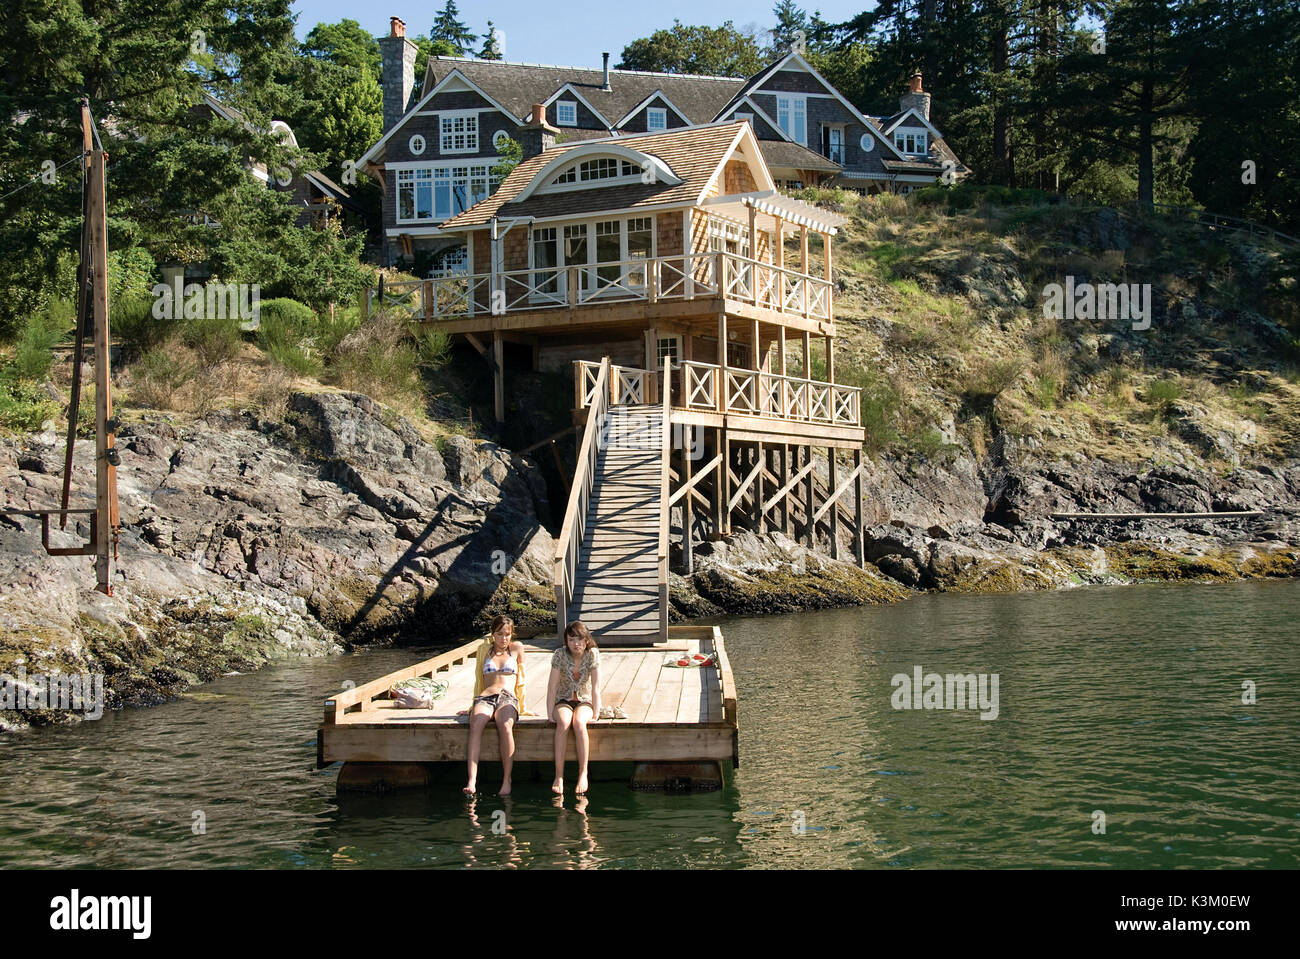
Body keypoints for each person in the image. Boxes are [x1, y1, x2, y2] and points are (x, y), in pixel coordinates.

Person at [461, 615, 525, 796]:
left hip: (507, 697)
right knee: (476, 723)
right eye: (499, 634)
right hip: (486, 696)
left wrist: (523, 706)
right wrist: (471, 705)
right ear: (492, 634)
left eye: (507, 634)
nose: (503, 639)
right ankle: (472, 780)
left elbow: (522, 680)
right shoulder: (484, 650)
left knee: (505, 725)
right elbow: (478, 679)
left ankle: (507, 779)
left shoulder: (517, 649)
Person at [547, 620, 601, 796]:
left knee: (579, 723)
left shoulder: (592, 654)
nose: (575, 644)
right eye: (571, 640)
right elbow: (552, 686)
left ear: (586, 640)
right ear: (566, 641)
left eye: (579, 639)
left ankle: (583, 773)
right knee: (563, 722)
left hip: (584, 699)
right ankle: (559, 776)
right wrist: (549, 712)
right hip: (563, 698)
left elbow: (595, 687)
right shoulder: (559, 654)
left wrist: (597, 711)